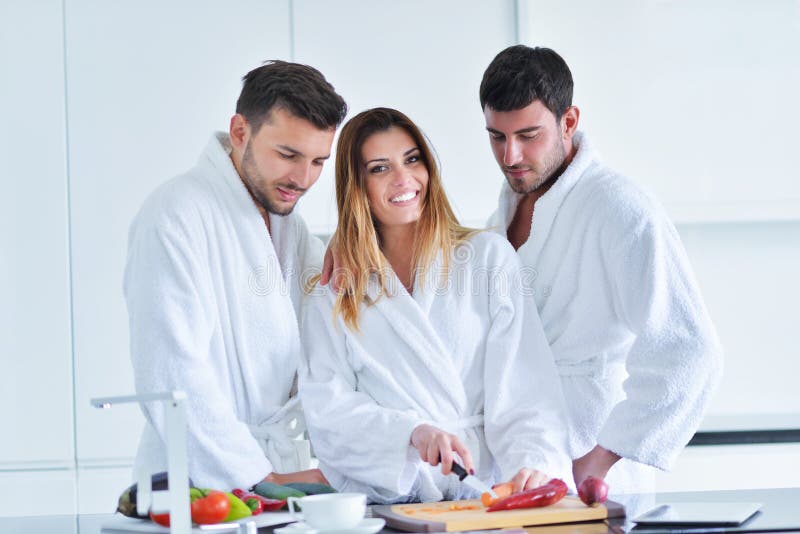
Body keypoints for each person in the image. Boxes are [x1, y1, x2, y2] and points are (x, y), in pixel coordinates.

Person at [479, 45, 723, 493]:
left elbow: (689, 351)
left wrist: (602, 456)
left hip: (588, 462)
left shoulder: (620, 209)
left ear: (568, 121)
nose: (510, 155)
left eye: (528, 135)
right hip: (519, 460)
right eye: (497, 136)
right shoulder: (502, 214)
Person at [299, 107, 571, 504]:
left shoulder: (486, 259)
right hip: (389, 503)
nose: (403, 178)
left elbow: (526, 387)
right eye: (379, 168)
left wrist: (533, 463)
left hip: (486, 495)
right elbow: (327, 410)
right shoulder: (334, 292)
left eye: (412, 159)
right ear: (356, 186)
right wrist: (411, 434)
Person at [123, 60, 347, 490]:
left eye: (319, 161)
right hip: (202, 481)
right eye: (288, 155)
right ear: (241, 132)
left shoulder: (288, 227)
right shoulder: (175, 215)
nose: (303, 179)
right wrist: (258, 475)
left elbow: (336, 327)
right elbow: (170, 370)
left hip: (276, 476)